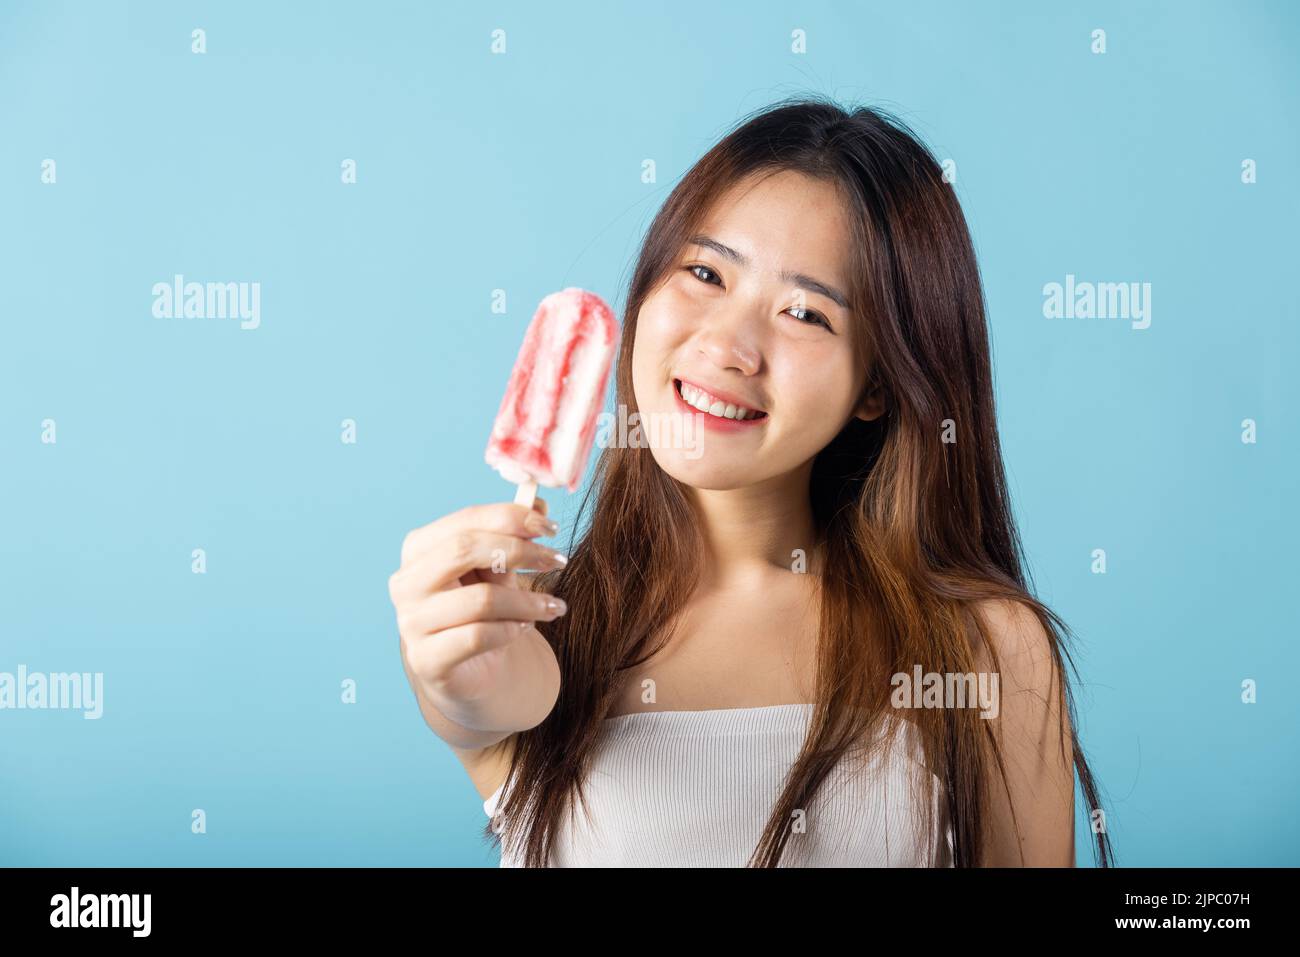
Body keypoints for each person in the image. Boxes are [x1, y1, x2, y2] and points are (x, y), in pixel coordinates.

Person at [388, 95, 1114, 868]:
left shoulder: (984, 649)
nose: (729, 345)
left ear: (877, 385)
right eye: (705, 272)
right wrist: (460, 670)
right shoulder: (530, 629)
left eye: (806, 314)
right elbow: (484, 700)